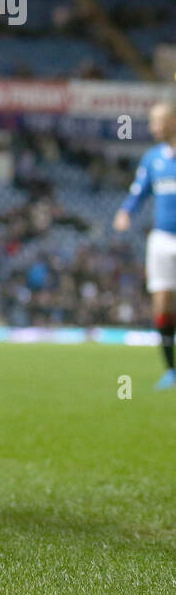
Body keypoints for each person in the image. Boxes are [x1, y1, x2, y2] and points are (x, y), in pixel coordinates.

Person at [113, 100, 176, 390]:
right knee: (162, 303)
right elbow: (138, 193)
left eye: (157, 121)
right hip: (162, 238)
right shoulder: (153, 159)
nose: (152, 127)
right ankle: (171, 371)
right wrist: (126, 212)